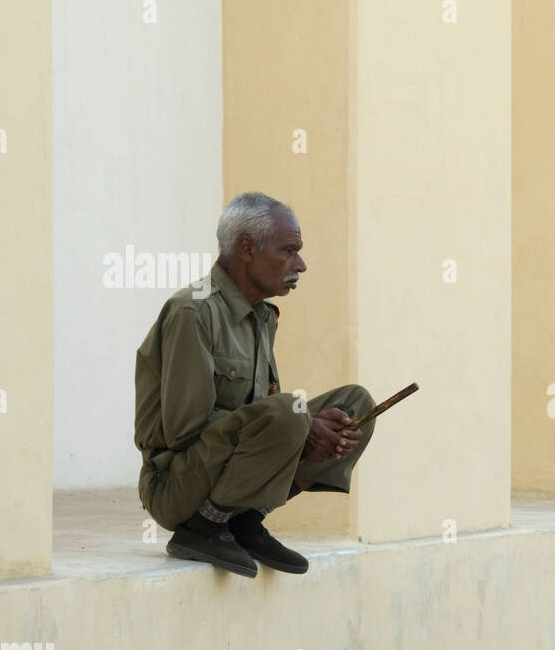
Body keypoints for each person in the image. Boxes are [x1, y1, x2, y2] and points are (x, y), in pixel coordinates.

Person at [133, 192, 377, 578]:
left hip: (216, 469)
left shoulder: (261, 316)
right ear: (246, 249)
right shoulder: (193, 311)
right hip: (175, 485)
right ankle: (202, 529)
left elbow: (261, 417)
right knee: (290, 411)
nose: (300, 265)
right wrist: (300, 425)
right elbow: (183, 429)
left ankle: (244, 522)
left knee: (354, 406)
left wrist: (311, 429)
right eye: (288, 250)